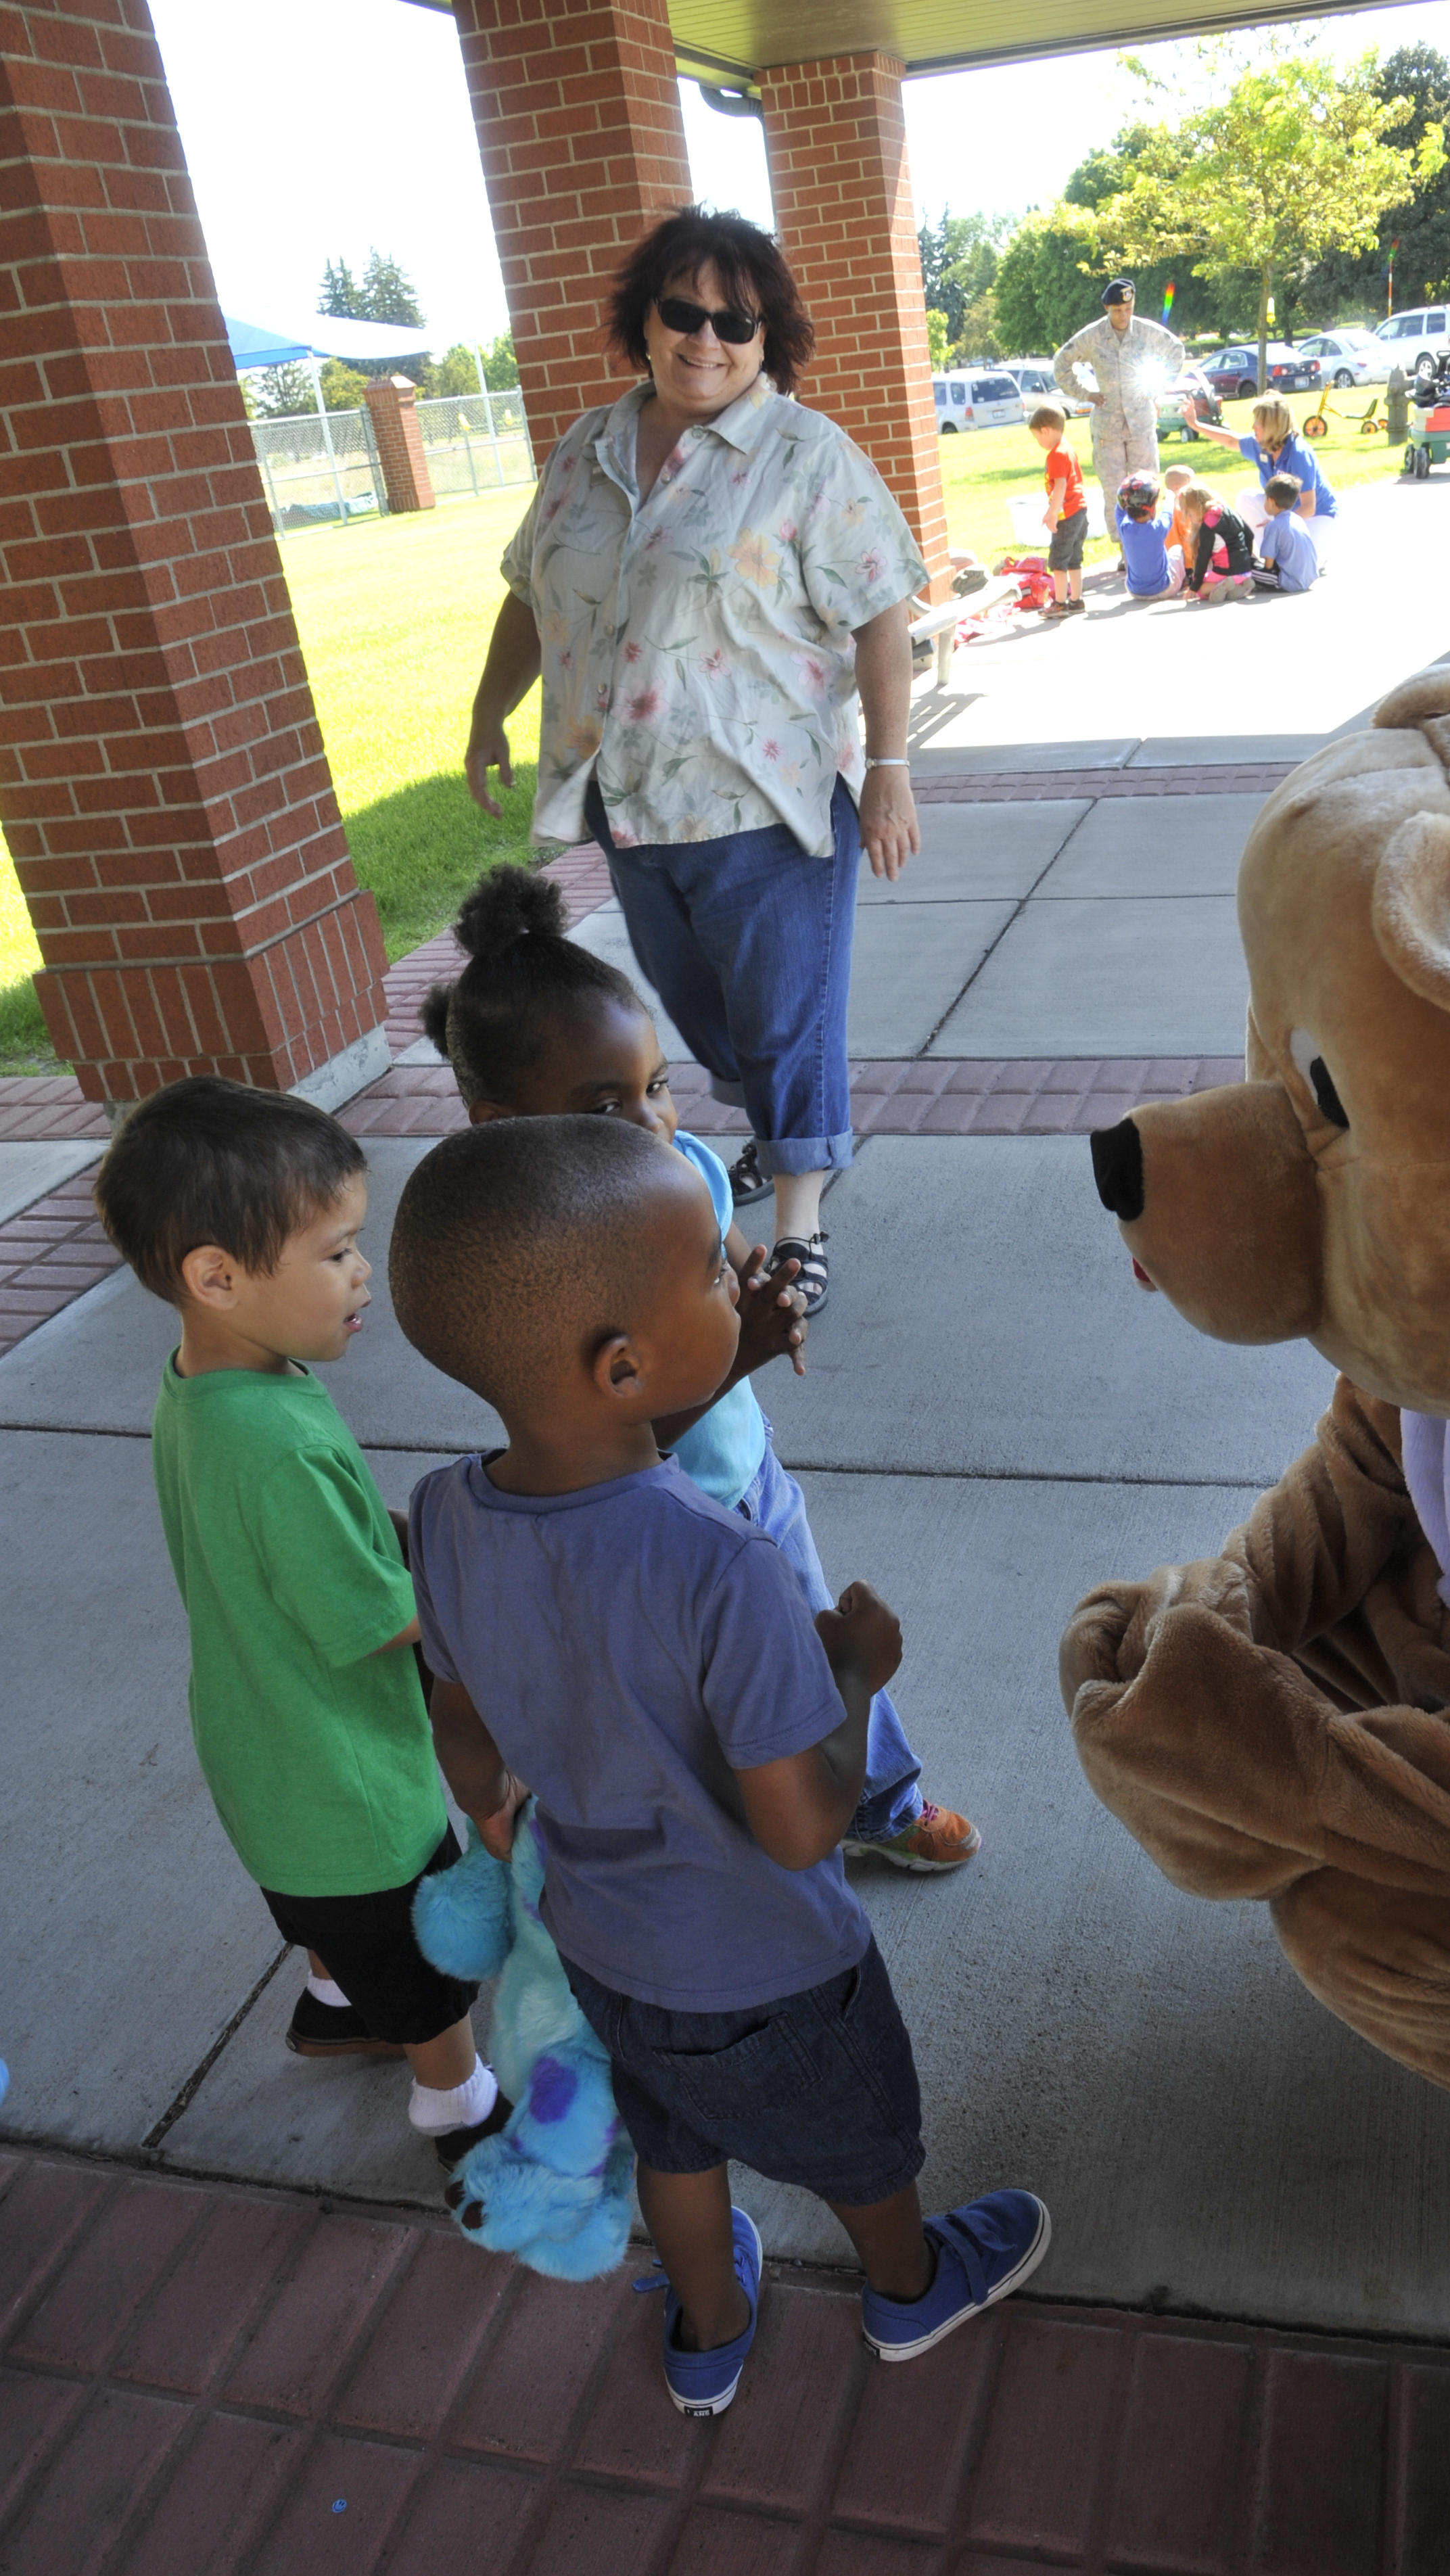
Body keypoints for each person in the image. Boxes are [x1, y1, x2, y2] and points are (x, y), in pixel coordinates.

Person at [388, 1117, 1050, 2416]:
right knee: (860, 2144)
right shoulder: (723, 1563)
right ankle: (910, 2287)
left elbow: (461, 1729)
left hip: (604, 1945)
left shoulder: (447, 1513)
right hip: (774, 1966)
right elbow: (800, 1828)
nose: (740, 1271)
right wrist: (857, 1673)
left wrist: (495, 1822)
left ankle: (709, 2332)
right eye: (709, 1268)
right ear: (622, 1363)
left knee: (676, 2144)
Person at [421, 862, 981, 1877]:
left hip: (748, 1476)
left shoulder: (687, 1174)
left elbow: (729, 1261)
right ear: (498, 1121)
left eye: (657, 1086)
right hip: (661, 1524)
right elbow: (616, 1443)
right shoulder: (539, 1268)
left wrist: (757, 1291)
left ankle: (880, 1797)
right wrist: (742, 1352)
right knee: (739, 1685)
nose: (652, 1125)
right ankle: (766, 1822)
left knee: (819, 1638)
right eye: (606, 1106)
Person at [464, 204, 928, 1321]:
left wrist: (890, 767)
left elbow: (880, 612)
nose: (706, 339)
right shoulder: (586, 448)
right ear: (645, 319)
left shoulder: (805, 456)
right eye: (684, 311)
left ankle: (800, 1218)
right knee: (699, 1008)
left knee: (786, 1017)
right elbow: (532, 592)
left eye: (736, 321)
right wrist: (488, 713)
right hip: (627, 805)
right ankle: (780, 1117)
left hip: (766, 804)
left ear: (769, 339)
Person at [91, 1079, 509, 2170]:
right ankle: (458, 2106)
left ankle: (335, 2003)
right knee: (419, 1957)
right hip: (347, 1779)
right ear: (217, 1277)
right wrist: (482, 1581)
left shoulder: (204, 1386)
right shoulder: (274, 1446)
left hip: (263, 1747)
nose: (362, 1271)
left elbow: (299, 1549)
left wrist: (385, 1530)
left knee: (332, 1919)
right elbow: (376, 1621)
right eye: (335, 1252)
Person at [1052, 279, 1184, 521]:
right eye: (1117, 311)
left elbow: (1176, 350)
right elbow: (1061, 363)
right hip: (1108, 429)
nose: (1124, 316)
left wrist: (1157, 387)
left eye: (1128, 309)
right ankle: (1122, 544)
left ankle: (1148, 540)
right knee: (1114, 492)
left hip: (1140, 425)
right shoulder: (1093, 336)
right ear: (1107, 308)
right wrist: (1086, 394)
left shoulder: (1145, 331)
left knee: (1147, 489)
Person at [1181, 392, 1340, 568]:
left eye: (1258, 422)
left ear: (1273, 426)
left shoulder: (1299, 453)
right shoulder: (1260, 444)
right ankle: (1271, 557)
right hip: (1284, 515)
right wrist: (1195, 425)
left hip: (1317, 516)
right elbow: (1231, 440)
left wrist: (1277, 524)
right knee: (1245, 498)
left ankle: (1314, 552)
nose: (1253, 426)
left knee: (1303, 569)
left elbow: (1309, 507)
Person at [1030, 402, 1087, 615]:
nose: (1039, 443)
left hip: (1067, 514)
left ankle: (1060, 603)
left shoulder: (1055, 454)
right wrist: (1050, 510)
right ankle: (1076, 600)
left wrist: (1054, 514)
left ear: (1045, 430)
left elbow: (1060, 485)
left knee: (1058, 560)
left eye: (1038, 437)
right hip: (1080, 511)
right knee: (1074, 559)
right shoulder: (1068, 449)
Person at [1177, 484, 1255, 601]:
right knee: (1230, 582)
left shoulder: (1209, 524)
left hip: (1225, 572)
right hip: (1245, 572)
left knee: (1201, 590)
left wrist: (1194, 586)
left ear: (1197, 508)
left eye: (1189, 514)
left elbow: (1203, 557)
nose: (1190, 519)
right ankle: (1238, 589)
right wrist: (1245, 560)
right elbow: (1249, 535)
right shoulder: (1229, 510)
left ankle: (1222, 586)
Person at [1112, 473, 1184, 598]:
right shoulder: (1159, 528)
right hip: (1164, 590)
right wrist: (1170, 495)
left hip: (1135, 592)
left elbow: (1119, 511)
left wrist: (1127, 492)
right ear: (1152, 506)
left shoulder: (1125, 529)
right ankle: (1186, 581)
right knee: (1177, 550)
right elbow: (1167, 512)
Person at [1248, 475, 1321, 595]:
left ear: (1271, 501)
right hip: (1309, 577)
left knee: (1247, 568)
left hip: (1291, 581)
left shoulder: (1274, 526)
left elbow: (1268, 565)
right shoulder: (1298, 519)